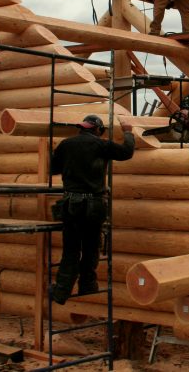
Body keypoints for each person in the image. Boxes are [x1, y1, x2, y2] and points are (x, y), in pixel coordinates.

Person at [49, 114, 135, 304]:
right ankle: (88, 285)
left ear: (82, 128)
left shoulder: (66, 144)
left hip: (71, 205)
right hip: (94, 206)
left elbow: (52, 169)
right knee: (90, 248)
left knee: (71, 251)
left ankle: (61, 292)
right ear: (98, 129)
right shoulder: (101, 145)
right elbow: (127, 152)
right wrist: (128, 132)